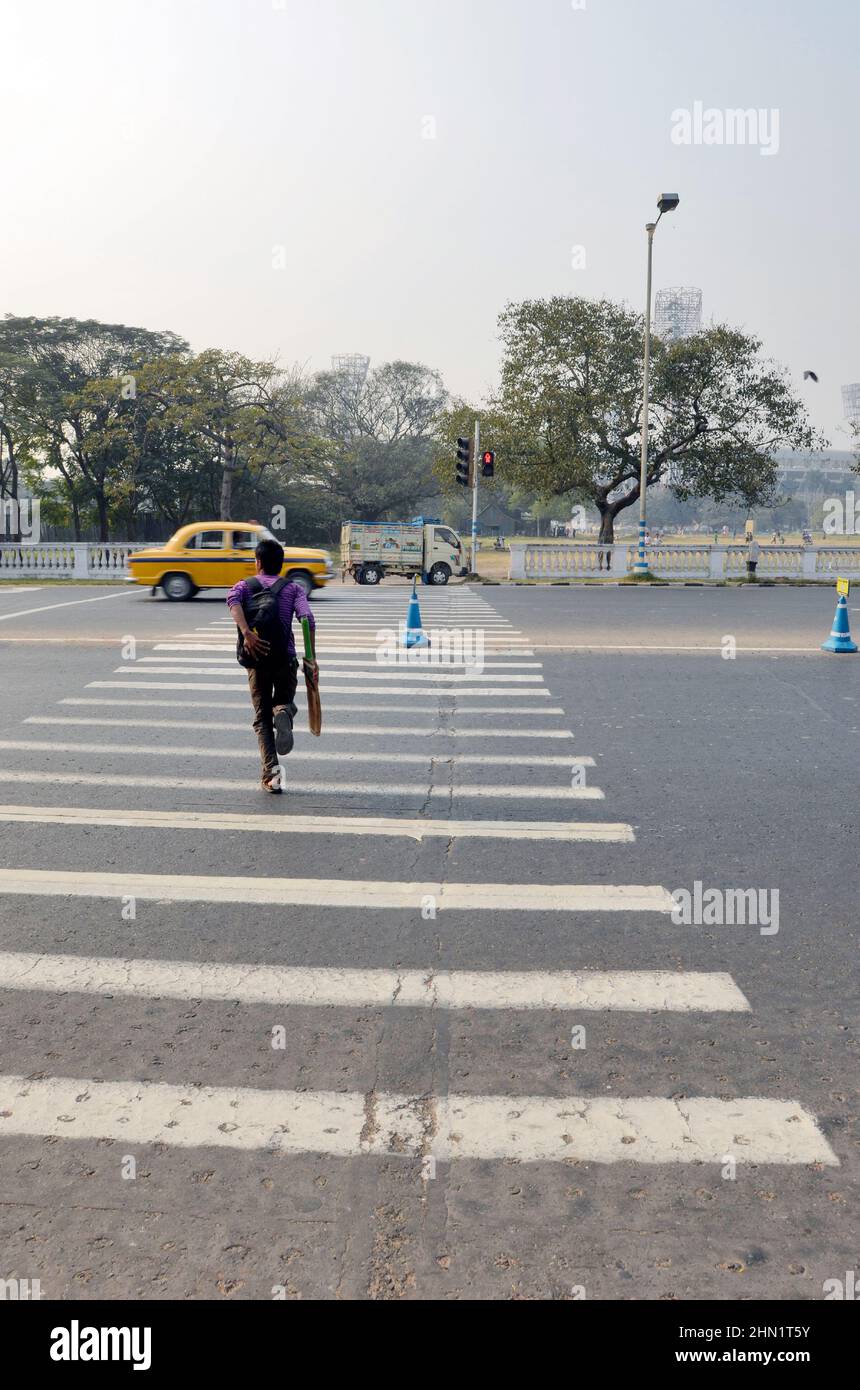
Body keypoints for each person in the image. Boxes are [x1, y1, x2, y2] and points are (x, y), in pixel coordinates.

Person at [227, 538, 318, 794]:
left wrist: (247, 633)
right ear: (281, 564)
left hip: (257, 659)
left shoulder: (244, 586)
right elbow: (307, 620)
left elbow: (232, 603)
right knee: (284, 702)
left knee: (261, 719)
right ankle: (285, 712)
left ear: (257, 562)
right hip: (285, 659)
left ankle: (272, 776)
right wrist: (311, 658)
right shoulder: (294, 589)